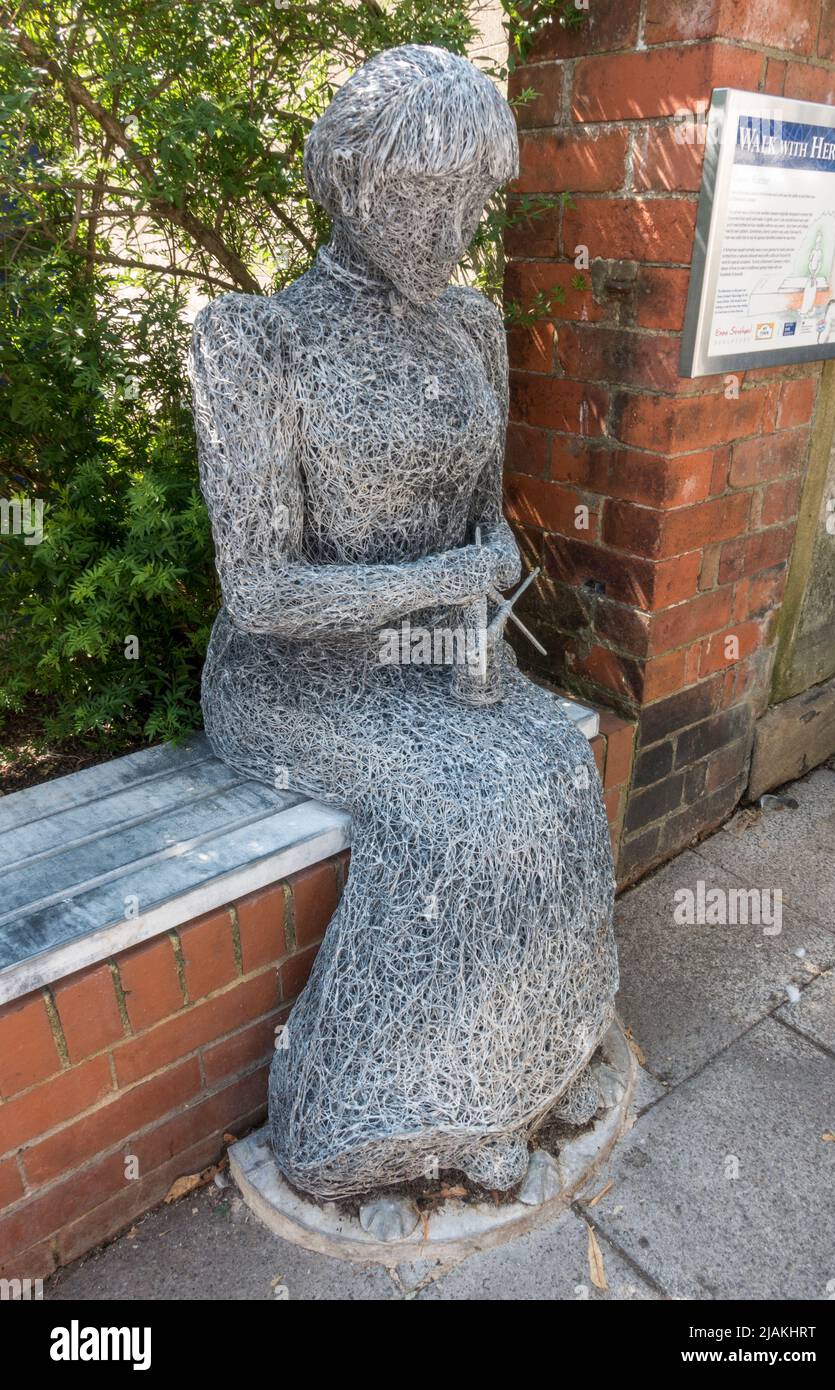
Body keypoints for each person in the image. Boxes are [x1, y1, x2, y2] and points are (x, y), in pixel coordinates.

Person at [189, 45, 617, 1201]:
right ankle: (373, 1119)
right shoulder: (256, 343)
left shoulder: (470, 328)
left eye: (471, 202)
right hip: (293, 675)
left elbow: (485, 540)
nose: (451, 229)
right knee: (470, 812)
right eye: (423, 197)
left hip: (433, 661)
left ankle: (521, 1069)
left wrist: (476, 605)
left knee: (554, 768)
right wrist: (447, 579)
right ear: (349, 178)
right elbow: (264, 594)